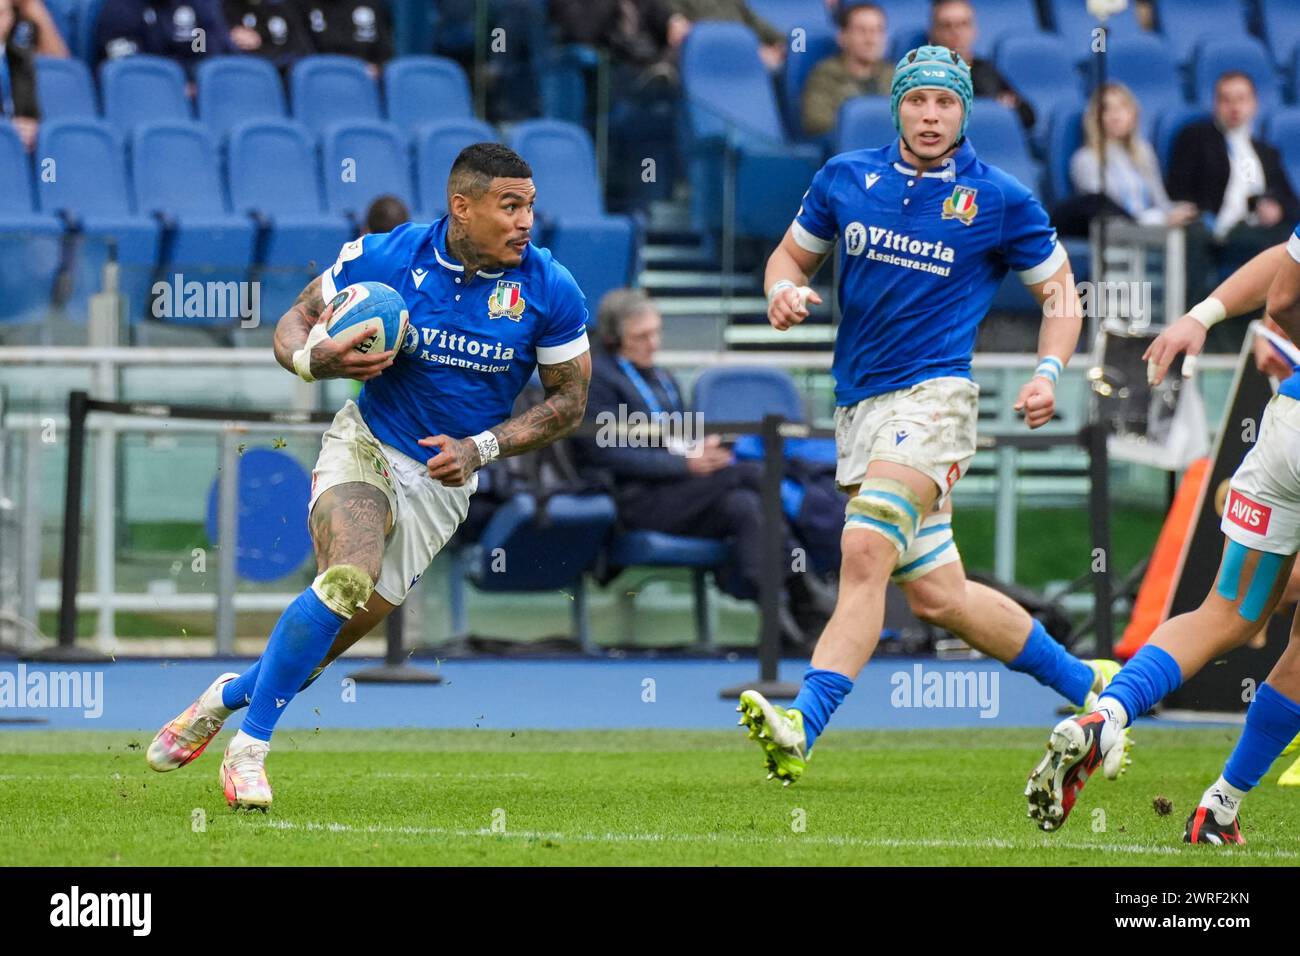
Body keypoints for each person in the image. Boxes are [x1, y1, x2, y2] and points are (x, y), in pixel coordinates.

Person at [145, 143, 593, 810]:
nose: (527, 220)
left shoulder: (549, 287)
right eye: (510, 206)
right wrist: (310, 362)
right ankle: (249, 752)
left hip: (445, 486)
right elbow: (295, 319)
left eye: (530, 205)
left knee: (321, 648)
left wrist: (482, 448)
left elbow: (570, 401)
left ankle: (222, 700)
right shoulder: (387, 259)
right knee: (346, 576)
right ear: (461, 209)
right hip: (368, 446)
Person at [735, 45, 1124, 787]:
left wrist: (1049, 372)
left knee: (863, 552)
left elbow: (1061, 296)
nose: (931, 114)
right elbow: (788, 259)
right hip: (860, 405)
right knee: (939, 596)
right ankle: (1092, 688)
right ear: (898, 106)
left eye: (946, 103)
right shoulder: (846, 177)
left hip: (935, 401)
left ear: (964, 111)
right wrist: (780, 292)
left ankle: (803, 722)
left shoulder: (1000, 198)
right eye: (918, 101)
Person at [1027, 235, 1300, 843]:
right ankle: (1222, 800)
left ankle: (1109, 715)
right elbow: (1285, 297)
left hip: (1287, 427)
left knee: (1223, 612)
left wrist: (1201, 316)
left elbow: (1283, 285)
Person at [573, 288, 835, 644]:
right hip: (635, 499)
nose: (653, 343)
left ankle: (776, 614)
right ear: (612, 337)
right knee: (751, 474)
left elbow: (677, 434)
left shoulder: (661, 377)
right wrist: (686, 466)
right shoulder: (597, 379)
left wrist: (701, 447)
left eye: (656, 332)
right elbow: (602, 453)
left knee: (744, 506)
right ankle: (804, 587)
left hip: (685, 495)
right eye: (641, 337)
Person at [1166, 72, 1299, 268]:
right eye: (1225, 100)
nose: (1234, 107)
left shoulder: (1266, 152)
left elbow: (1290, 202)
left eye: (1241, 99)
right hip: (1219, 231)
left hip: (1263, 229)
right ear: (1215, 104)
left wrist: (1277, 209)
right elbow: (1179, 189)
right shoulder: (1196, 138)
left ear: (1254, 104)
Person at [1070, 82, 1198, 228]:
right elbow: (1106, 215)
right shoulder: (1085, 159)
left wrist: (1181, 212)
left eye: (1122, 108)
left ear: (1133, 113)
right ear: (1096, 117)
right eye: (1107, 109)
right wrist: (1161, 220)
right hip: (1119, 238)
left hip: (1155, 232)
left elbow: (1161, 202)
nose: (1115, 116)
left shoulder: (1144, 151)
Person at [928, 0, 1033, 129]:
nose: (956, 32)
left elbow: (1028, 115)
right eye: (947, 26)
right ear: (933, 33)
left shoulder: (985, 70)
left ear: (974, 31)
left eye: (963, 24)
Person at [801, 1, 892, 138]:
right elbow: (816, 122)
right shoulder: (824, 76)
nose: (871, 39)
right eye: (862, 31)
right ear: (842, 37)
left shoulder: (896, 75)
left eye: (878, 31)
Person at [95, 0, 235, 79]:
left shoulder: (196, 6)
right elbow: (129, 65)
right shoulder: (121, 8)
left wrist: (196, 80)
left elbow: (206, 50)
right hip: (144, 94)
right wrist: (174, 83)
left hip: (194, 91)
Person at [665, 0, 785, 70]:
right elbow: (682, 34)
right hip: (714, 66)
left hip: (756, 60)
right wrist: (750, 53)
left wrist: (786, 43)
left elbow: (757, 24)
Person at [303, 0, 393, 77]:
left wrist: (377, 68)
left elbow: (385, 54)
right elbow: (299, 53)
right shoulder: (302, 5)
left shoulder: (369, 4)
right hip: (320, 78)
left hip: (363, 81)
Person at [223, 0, 314, 71]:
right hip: (247, 73)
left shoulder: (285, 7)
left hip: (283, 69)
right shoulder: (226, 8)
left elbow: (301, 48)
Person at [0, 0, 41, 150]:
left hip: (17, 152)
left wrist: (31, 129)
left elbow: (32, 115)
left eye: (0, 14)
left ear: (11, 18)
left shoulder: (21, 60)